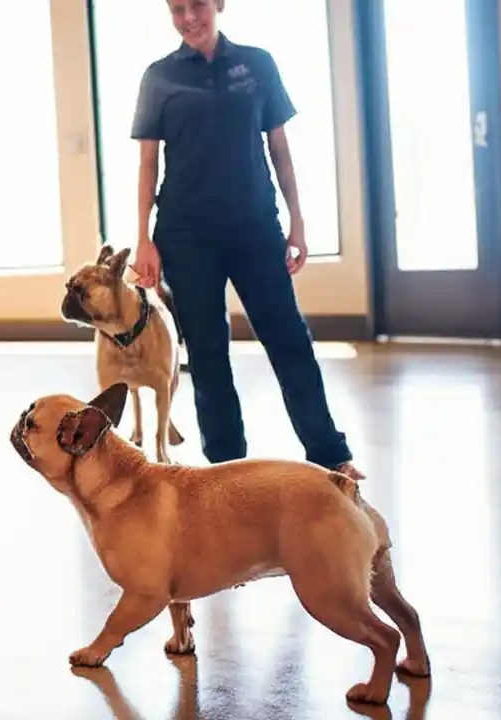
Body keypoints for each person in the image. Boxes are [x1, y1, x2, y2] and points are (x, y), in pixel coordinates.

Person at [129, 0, 364, 481]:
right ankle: (227, 469)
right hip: (185, 234)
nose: (189, 17)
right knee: (208, 351)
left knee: (289, 338)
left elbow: (279, 148)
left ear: (218, 4)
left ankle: (329, 454)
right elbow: (148, 164)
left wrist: (297, 220)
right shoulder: (158, 77)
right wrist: (142, 239)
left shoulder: (257, 64)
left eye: (197, 5)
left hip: (256, 226)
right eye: (177, 9)